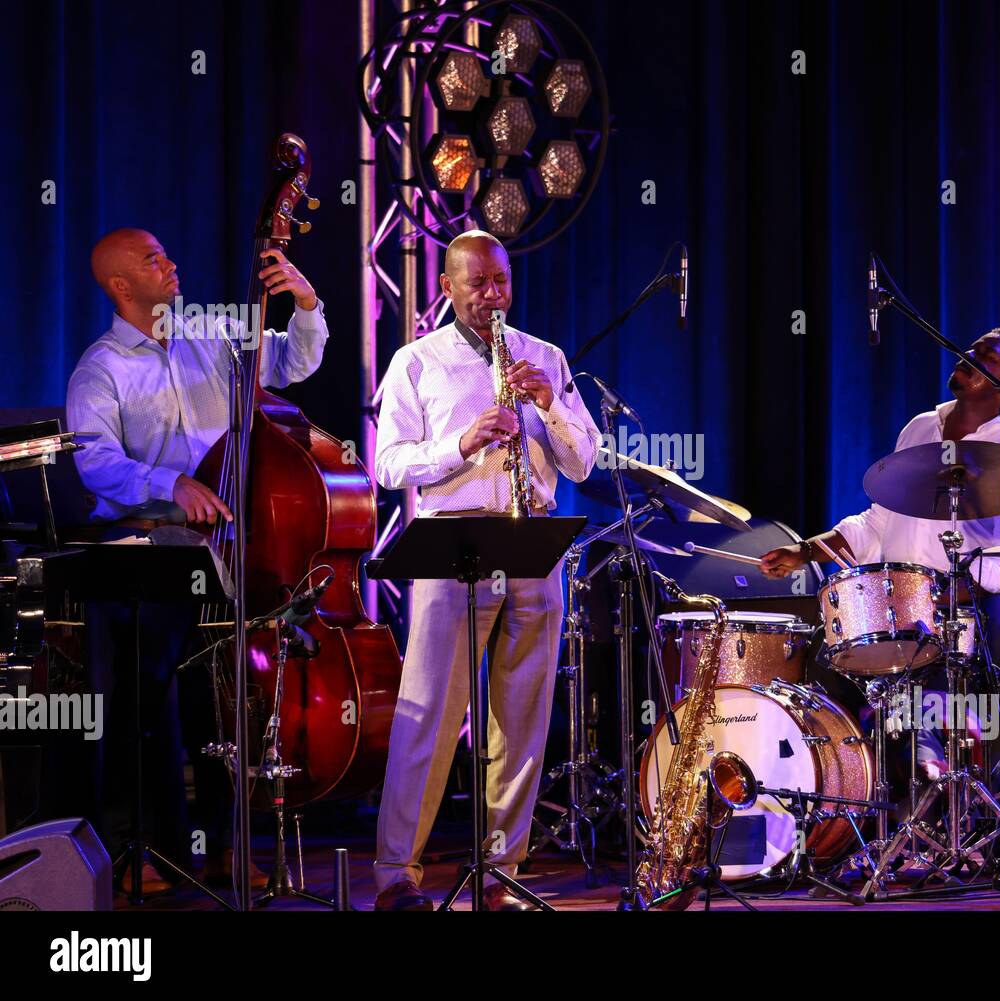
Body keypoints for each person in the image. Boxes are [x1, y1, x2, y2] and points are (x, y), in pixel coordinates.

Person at [65, 227, 327, 893]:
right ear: (123, 287)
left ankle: (222, 850)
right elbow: (94, 460)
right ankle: (146, 852)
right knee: (147, 711)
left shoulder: (210, 336)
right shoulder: (100, 367)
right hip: (150, 556)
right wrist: (169, 483)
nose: (171, 262)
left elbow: (291, 365)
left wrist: (304, 305)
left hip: (225, 554)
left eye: (166, 250)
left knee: (224, 709)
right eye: (154, 258)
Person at [371, 230, 600, 911]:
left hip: (533, 543)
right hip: (453, 543)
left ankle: (503, 871)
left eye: (502, 282)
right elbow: (387, 465)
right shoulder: (416, 362)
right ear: (447, 286)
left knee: (523, 718)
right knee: (431, 713)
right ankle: (395, 874)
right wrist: (460, 444)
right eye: (479, 284)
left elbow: (584, 461)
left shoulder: (546, 357)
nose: (494, 295)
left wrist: (550, 407)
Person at [760, 326, 1000, 781]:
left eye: (987, 357)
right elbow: (878, 522)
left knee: (957, 702)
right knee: (827, 661)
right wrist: (805, 551)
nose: (969, 354)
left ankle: (970, 788)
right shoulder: (920, 428)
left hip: (971, 609)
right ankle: (871, 790)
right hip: (899, 603)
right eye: (971, 347)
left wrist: (949, 592)